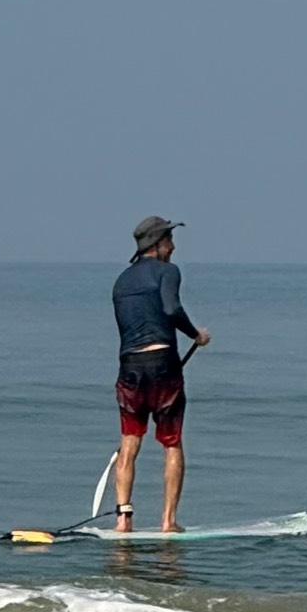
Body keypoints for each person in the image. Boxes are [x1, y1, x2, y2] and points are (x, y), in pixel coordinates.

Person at [110, 215, 210, 533]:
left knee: (129, 442)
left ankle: (123, 521)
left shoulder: (121, 281)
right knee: (172, 443)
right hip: (164, 365)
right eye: (169, 240)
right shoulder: (169, 271)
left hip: (130, 368)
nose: (174, 246)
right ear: (158, 244)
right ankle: (168, 521)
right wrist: (196, 335)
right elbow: (171, 309)